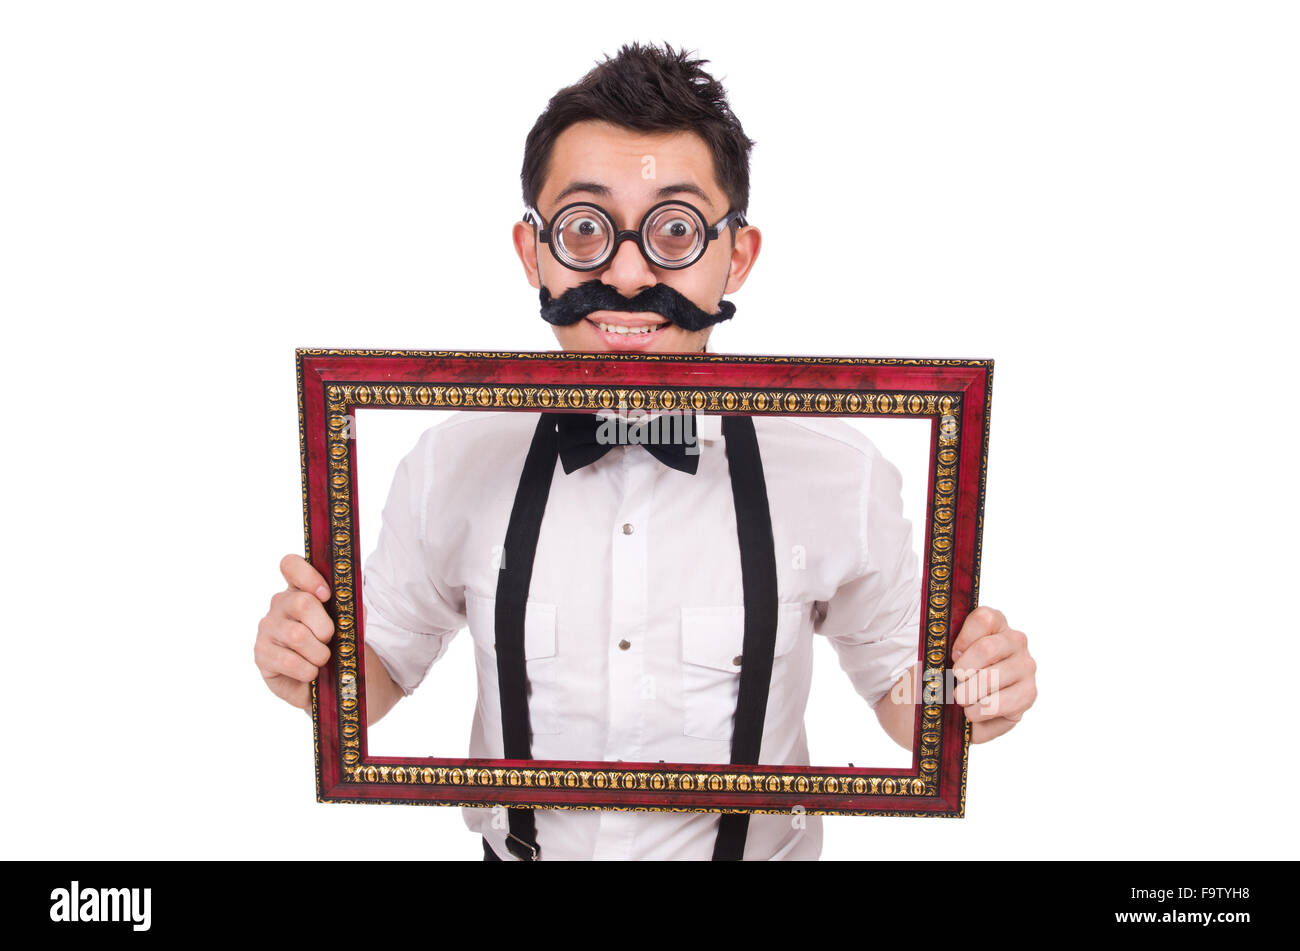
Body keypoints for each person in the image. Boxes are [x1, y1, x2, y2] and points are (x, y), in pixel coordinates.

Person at [254, 42, 1037, 860]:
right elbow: (373, 673)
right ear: (533, 252)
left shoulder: (837, 468)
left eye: (675, 229)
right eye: (586, 227)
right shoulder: (449, 463)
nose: (628, 275)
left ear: (737, 254)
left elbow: (904, 693)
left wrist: (976, 688)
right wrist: (309, 662)